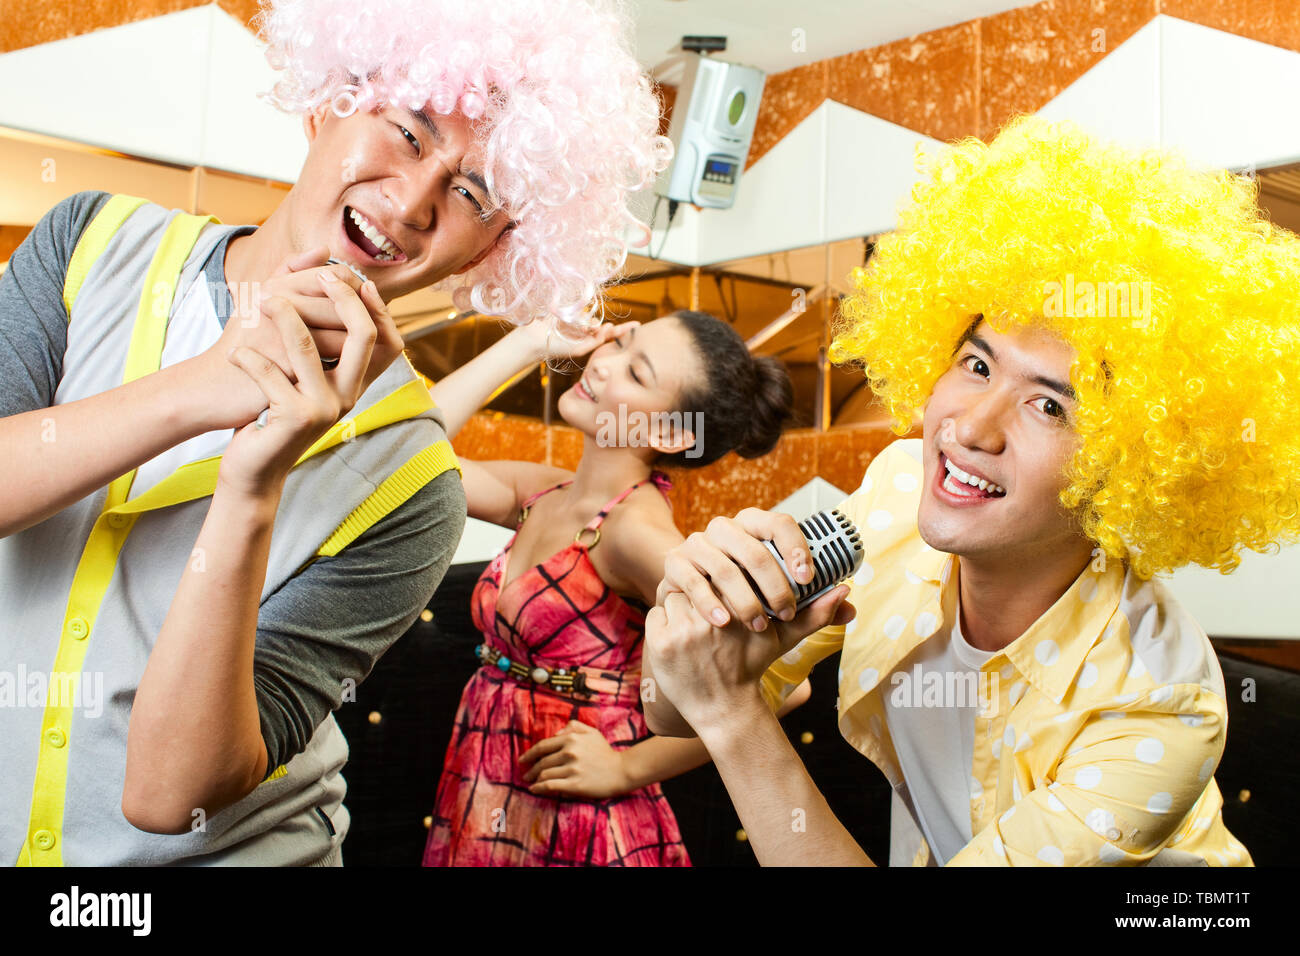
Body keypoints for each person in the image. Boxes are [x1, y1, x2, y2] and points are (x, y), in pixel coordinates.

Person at [0, 0, 668, 865]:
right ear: (328, 103)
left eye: (472, 194)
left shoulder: (416, 487)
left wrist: (254, 486)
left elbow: (170, 794)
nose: (416, 199)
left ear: (489, 251)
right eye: (407, 133)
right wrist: (201, 390)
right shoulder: (91, 244)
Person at [640, 115, 1300, 866]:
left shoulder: (1160, 703)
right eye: (978, 366)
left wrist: (732, 718)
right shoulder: (896, 493)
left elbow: (716, 718)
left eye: (1050, 405)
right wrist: (695, 629)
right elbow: (668, 713)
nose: (972, 429)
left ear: (1130, 464)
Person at [420, 312, 802, 865]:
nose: (602, 363)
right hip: (487, 781)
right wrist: (526, 345)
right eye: (620, 341)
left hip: (578, 824)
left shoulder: (637, 535)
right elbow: (405, 459)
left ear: (669, 432)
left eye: (636, 371)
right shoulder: (544, 492)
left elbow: (785, 687)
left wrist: (626, 767)